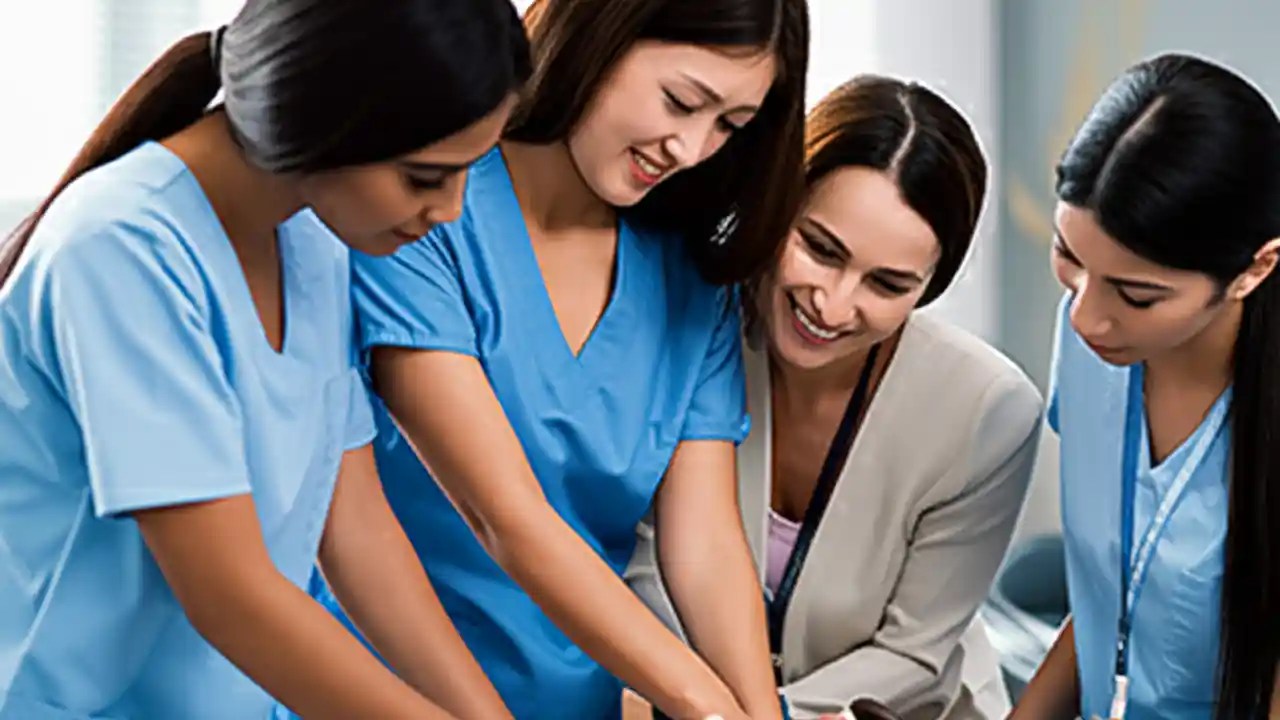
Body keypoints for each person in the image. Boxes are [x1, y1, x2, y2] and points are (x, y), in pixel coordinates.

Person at [0, 1, 530, 718]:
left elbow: (355, 526)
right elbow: (232, 598)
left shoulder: (312, 241)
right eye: (424, 176)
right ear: (323, 120)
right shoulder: (118, 247)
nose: (451, 211)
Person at [311, 0, 812, 717]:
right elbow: (503, 514)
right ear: (599, 34)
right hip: (383, 694)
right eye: (681, 102)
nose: (692, 148)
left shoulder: (691, 280)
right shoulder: (420, 204)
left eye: (729, 125)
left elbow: (705, 546)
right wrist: (703, 702)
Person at [628, 75, 1042, 720]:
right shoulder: (687, 325)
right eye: (820, 249)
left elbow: (914, 652)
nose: (833, 304)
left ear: (928, 287)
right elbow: (648, 561)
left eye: (888, 284)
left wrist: (774, 715)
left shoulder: (989, 411)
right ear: (778, 204)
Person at [1010, 53, 1280, 720]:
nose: (1085, 315)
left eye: (1136, 294)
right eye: (1068, 257)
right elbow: (1110, 599)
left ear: (1253, 271)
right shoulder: (1089, 335)